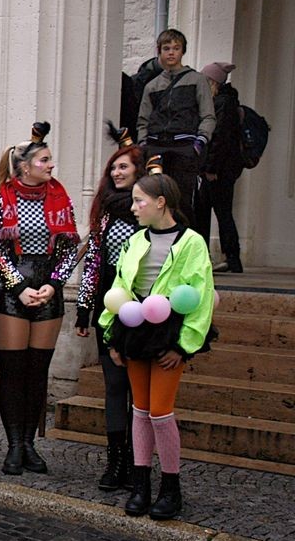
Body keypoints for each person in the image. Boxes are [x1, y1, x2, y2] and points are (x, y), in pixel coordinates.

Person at [100, 162, 215, 520]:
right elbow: (120, 288)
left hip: (169, 334)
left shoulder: (192, 242)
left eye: (139, 201)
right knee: (140, 410)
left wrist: (183, 346)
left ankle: (171, 487)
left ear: (161, 202)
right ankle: (141, 484)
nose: (133, 208)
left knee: (161, 413)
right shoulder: (135, 241)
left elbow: (202, 294)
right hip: (135, 331)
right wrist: (111, 335)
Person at [0, 122, 81, 475]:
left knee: (37, 372)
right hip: (13, 289)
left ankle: (29, 443)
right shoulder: (0, 199)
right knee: (13, 371)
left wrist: (54, 284)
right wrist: (18, 287)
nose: (50, 165)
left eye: (50, 160)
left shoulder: (61, 197)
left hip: (48, 288)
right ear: (25, 166)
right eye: (44, 160)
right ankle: (13, 444)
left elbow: (70, 249)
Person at [75, 125, 144, 491]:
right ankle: (115, 460)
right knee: (114, 385)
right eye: (113, 168)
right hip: (109, 307)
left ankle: (140, 462)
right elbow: (95, 263)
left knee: (141, 387)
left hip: (146, 307)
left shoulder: (147, 214)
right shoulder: (104, 215)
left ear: (139, 172)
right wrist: (84, 309)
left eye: (124, 168)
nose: (117, 173)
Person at [136, 29, 216, 225]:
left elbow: (208, 115)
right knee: (154, 198)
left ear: (182, 51)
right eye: (166, 48)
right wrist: (144, 144)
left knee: (181, 201)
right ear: (159, 52)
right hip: (156, 147)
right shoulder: (152, 86)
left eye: (176, 48)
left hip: (184, 148)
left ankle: (183, 245)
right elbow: (143, 120)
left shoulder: (197, 80)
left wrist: (200, 142)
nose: (171, 52)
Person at [195, 61, 245, 273]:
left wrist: (211, 168)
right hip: (221, 169)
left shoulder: (223, 103)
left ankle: (229, 258)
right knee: (210, 211)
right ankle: (223, 257)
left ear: (213, 82)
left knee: (214, 211)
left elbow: (219, 139)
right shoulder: (226, 101)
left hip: (217, 170)